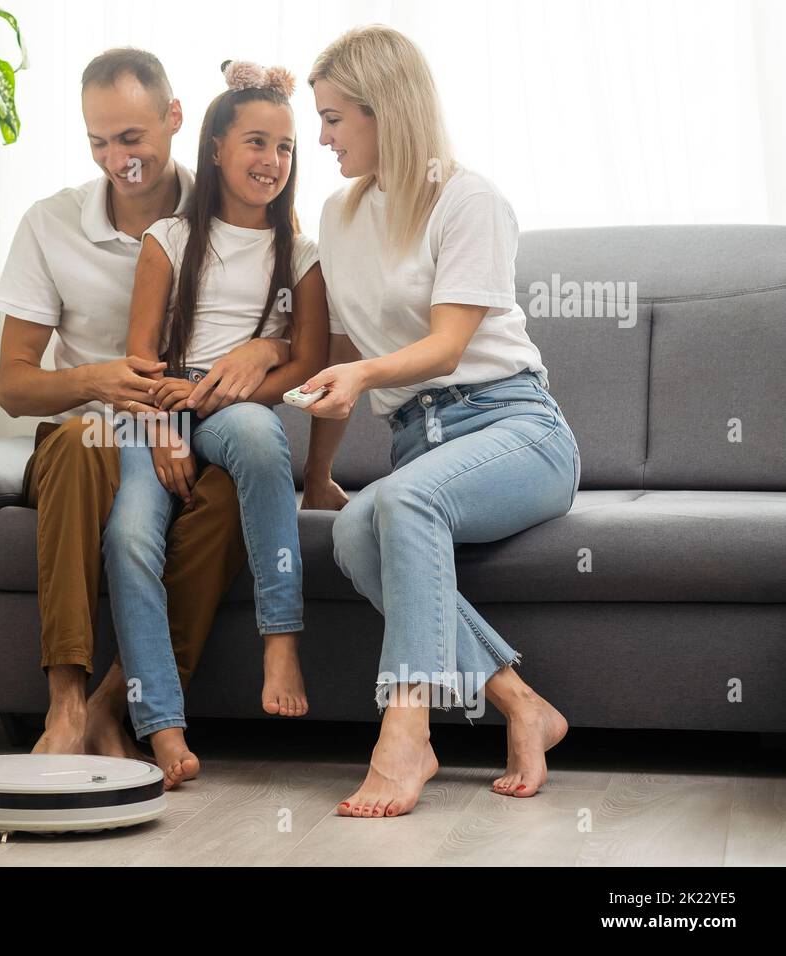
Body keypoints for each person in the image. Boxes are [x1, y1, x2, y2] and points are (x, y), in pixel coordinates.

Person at [297, 25, 581, 818]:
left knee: (404, 502)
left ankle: (408, 729)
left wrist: (358, 374)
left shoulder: (470, 199)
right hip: (417, 443)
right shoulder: (338, 213)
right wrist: (315, 463)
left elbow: (450, 343)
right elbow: (345, 346)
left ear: (385, 110)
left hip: (515, 428)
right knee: (355, 533)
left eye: (333, 118)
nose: (318, 137)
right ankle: (523, 704)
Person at [0, 48, 290, 759]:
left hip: (196, 432)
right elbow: (12, 387)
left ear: (175, 119)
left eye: (132, 138)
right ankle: (64, 703)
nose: (116, 158)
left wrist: (271, 351)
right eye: (98, 140)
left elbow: (299, 317)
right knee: (73, 446)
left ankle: (115, 704)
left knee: (223, 496)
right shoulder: (51, 223)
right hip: (92, 438)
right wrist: (98, 381)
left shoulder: (230, 208)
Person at [104, 60, 330, 788]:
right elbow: (138, 358)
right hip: (165, 404)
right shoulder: (168, 240)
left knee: (264, 442)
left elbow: (310, 362)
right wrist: (167, 429)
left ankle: (282, 636)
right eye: (257, 144)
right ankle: (161, 726)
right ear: (215, 150)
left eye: (286, 148)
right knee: (129, 533)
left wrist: (252, 377)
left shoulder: (301, 253)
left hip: (242, 405)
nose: (273, 162)